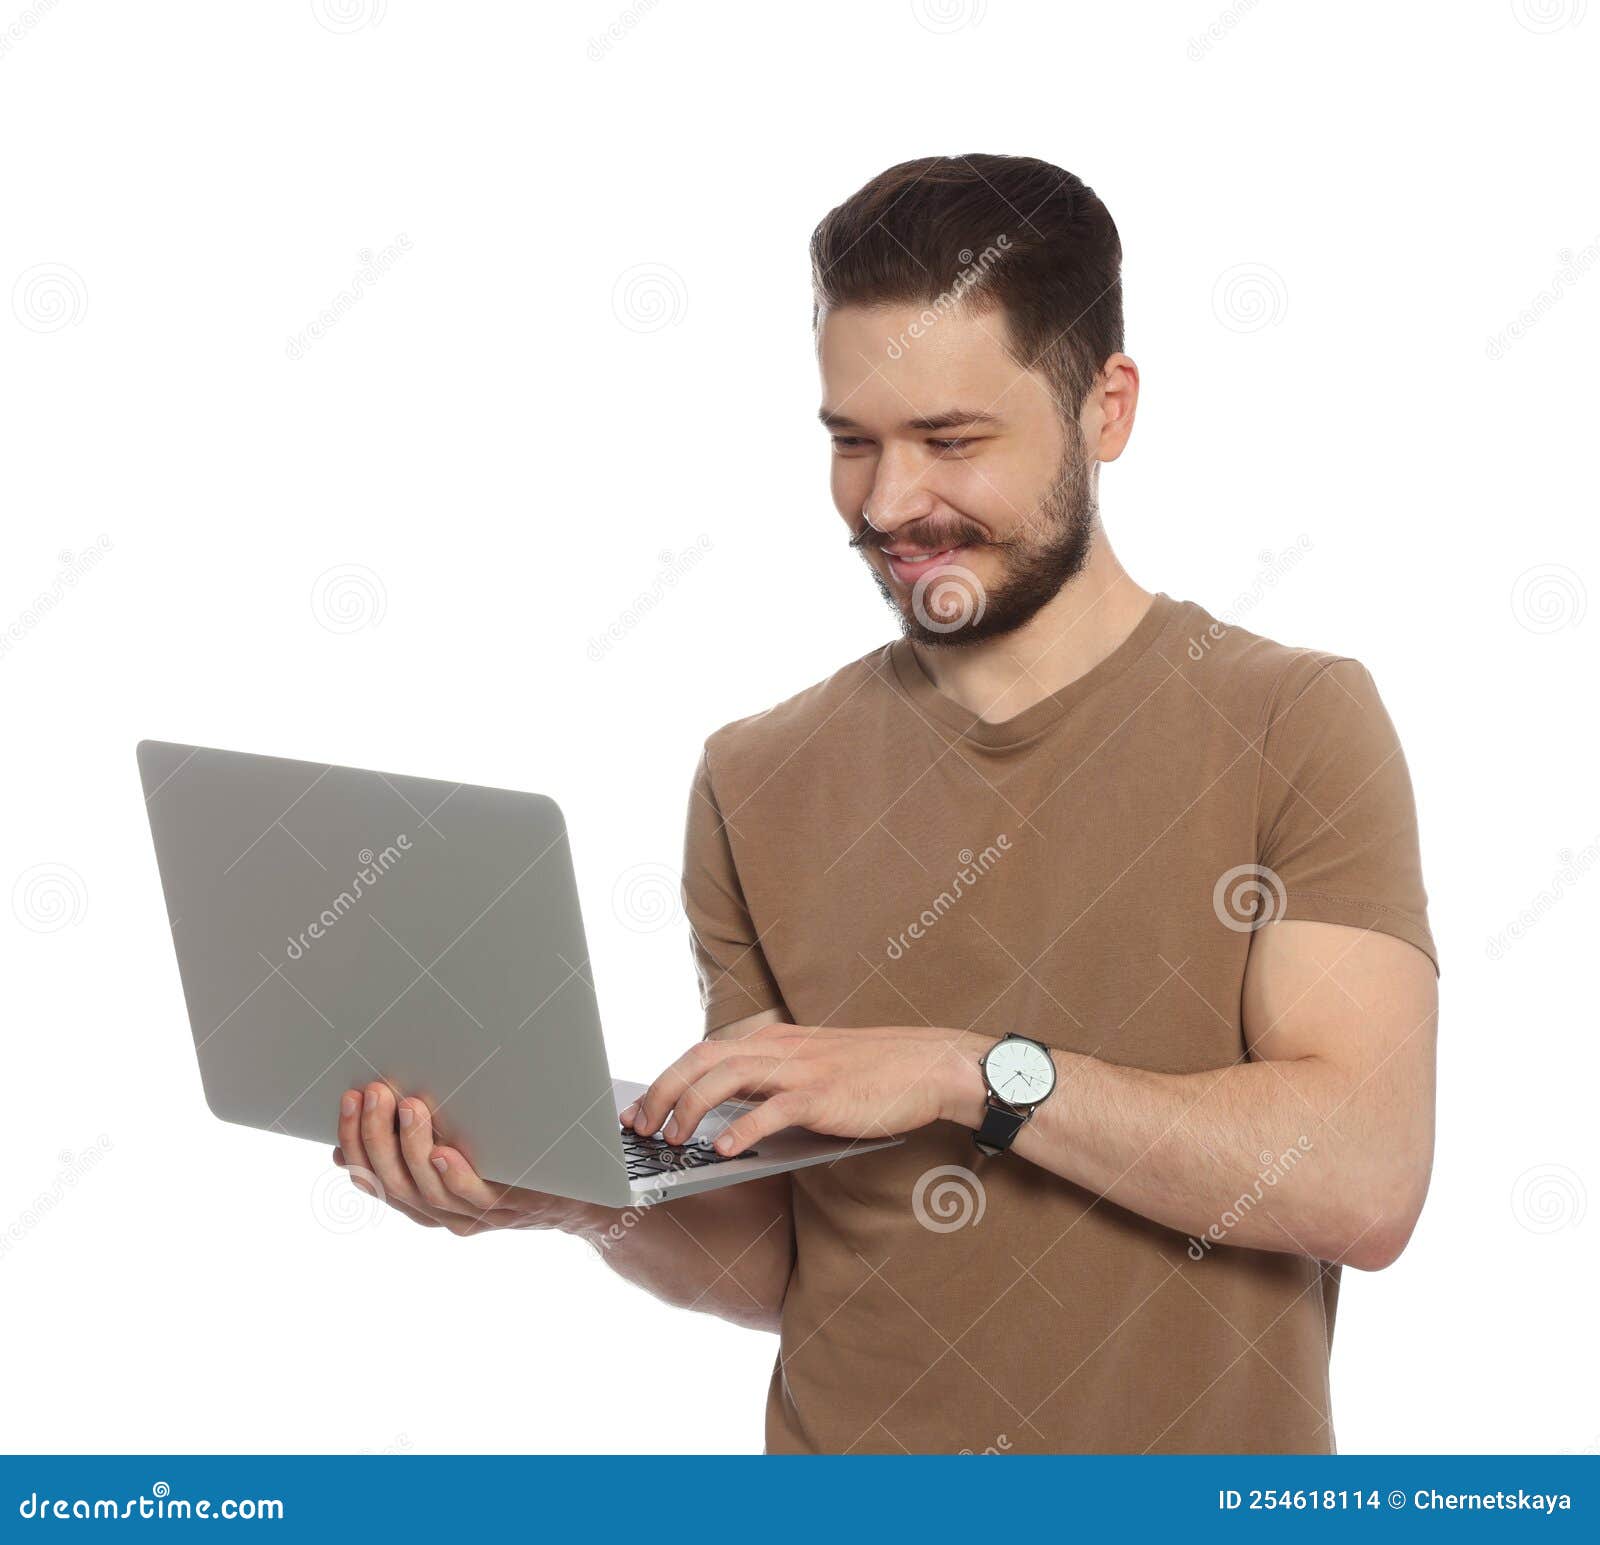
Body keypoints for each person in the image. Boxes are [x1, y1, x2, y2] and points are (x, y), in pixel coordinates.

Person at [332, 154, 1439, 1455]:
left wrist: (968, 1073)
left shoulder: (1290, 721)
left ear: (1107, 410)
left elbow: (1364, 1177)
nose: (890, 502)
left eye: (952, 441)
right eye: (854, 442)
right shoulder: (755, 775)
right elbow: (777, 1259)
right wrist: (571, 1197)